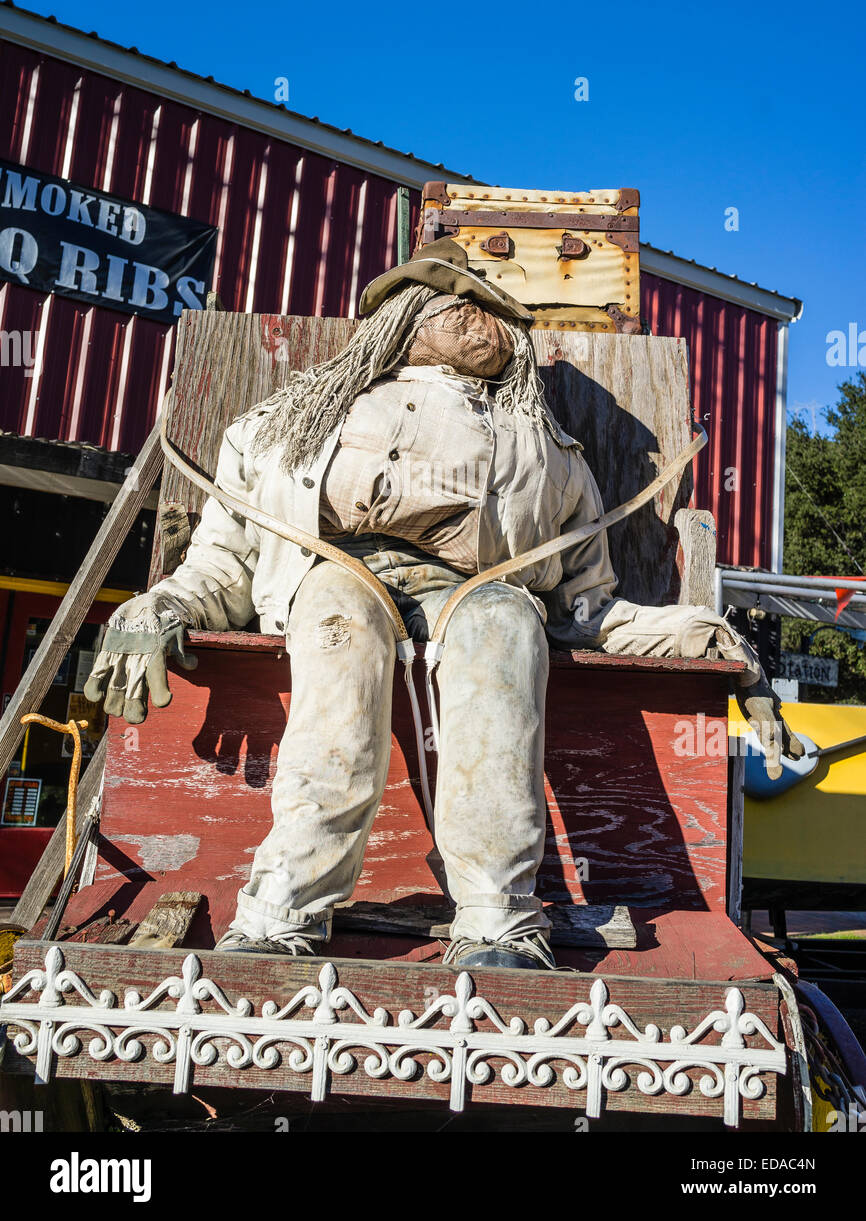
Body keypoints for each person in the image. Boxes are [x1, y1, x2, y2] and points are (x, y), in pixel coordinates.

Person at [85, 239, 802, 970]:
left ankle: (497, 916)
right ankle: (282, 906)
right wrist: (159, 607)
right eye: (459, 305)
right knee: (338, 626)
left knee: (506, 624)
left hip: (480, 588)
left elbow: (588, 607)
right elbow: (226, 561)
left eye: (493, 312)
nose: (483, 321)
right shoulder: (290, 423)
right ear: (402, 321)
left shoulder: (549, 452)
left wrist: (711, 640)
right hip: (337, 572)